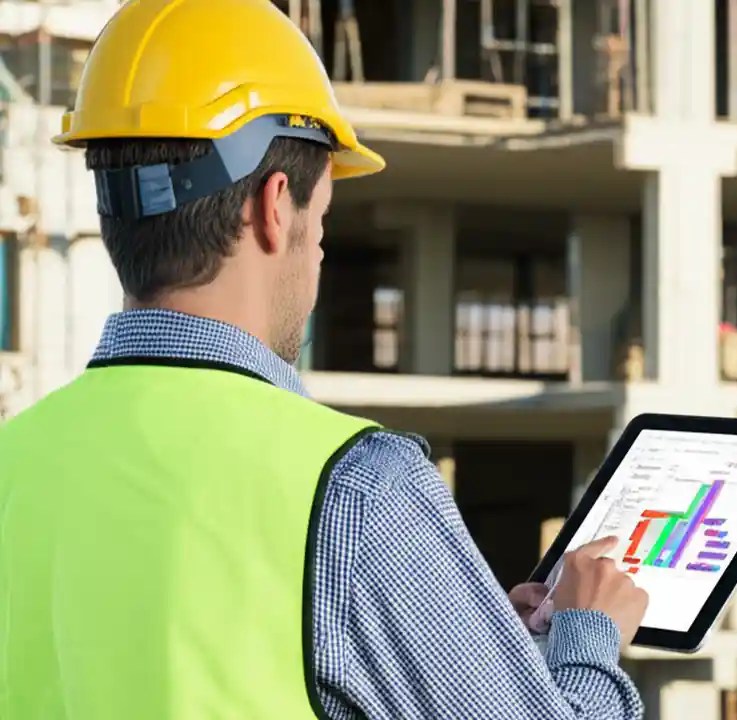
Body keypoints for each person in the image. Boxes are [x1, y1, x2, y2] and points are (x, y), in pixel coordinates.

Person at [0, 0, 649, 718]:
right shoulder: (357, 490)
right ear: (275, 207)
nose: (317, 251)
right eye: (323, 222)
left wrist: (465, 640)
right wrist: (589, 636)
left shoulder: (14, 461)